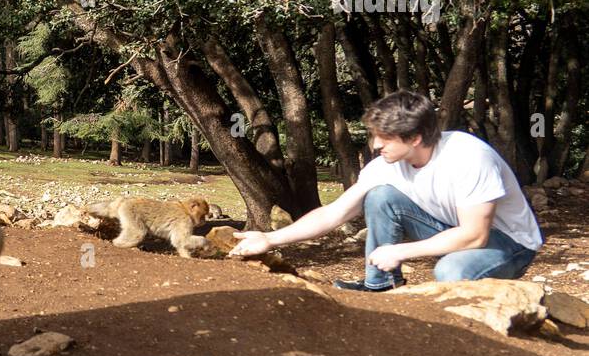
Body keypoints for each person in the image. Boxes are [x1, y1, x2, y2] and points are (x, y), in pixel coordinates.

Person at [229, 90, 543, 289]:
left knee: (450, 271)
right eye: (374, 135)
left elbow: (475, 236)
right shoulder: (385, 165)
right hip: (452, 230)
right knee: (380, 196)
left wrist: (401, 250)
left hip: (508, 243)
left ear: (415, 137)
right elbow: (334, 213)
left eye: (386, 137)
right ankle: (378, 285)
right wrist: (269, 238)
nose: (376, 145)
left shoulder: (469, 157)